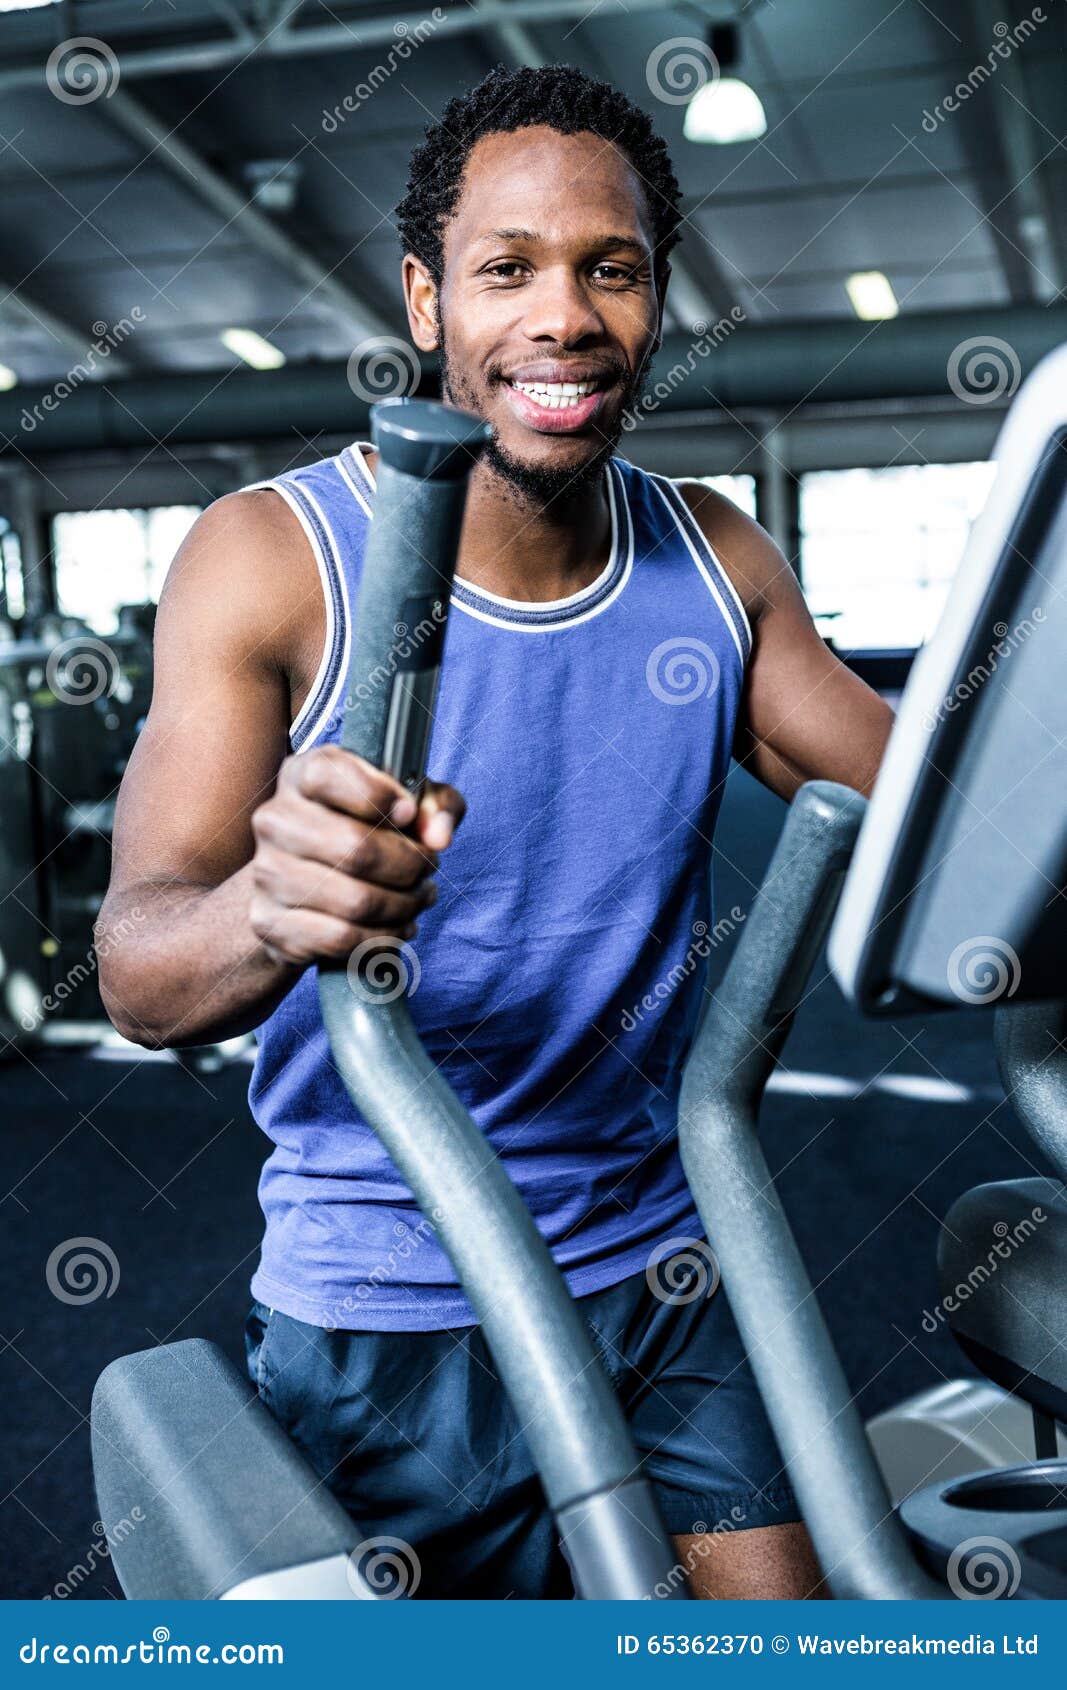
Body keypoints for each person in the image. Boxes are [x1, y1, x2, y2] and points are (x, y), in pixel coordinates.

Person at [97, 64, 892, 1599]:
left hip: (664, 1263)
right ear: (427, 298)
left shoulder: (714, 560)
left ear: (656, 297)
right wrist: (270, 901)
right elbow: (136, 972)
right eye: (508, 269)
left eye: (613, 269)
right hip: (388, 1304)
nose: (564, 317)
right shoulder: (270, 558)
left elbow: (938, 815)